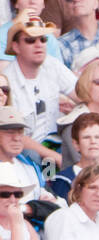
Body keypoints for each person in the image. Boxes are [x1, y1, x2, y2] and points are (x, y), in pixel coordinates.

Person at [4, 17, 75, 160]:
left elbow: (82, 93)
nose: (39, 45)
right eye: (31, 40)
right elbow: (14, 136)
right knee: (41, 160)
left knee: (81, 134)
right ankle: (49, 181)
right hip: (26, 150)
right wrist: (53, 156)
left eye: (43, 39)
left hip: (54, 142)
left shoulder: (52, 64)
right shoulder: (7, 82)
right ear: (16, 47)